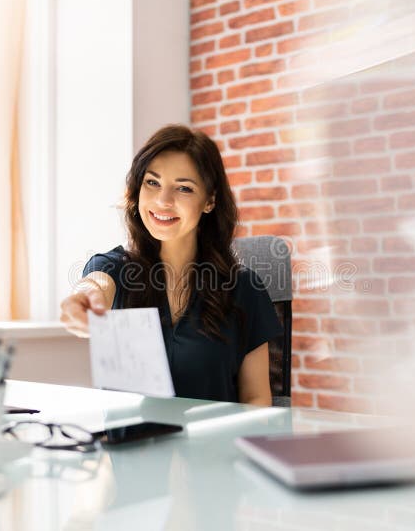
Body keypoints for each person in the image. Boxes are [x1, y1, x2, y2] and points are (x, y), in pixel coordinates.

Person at [60, 124, 280, 405]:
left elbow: (256, 397)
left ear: (210, 200)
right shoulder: (114, 268)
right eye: (152, 183)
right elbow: (96, 285)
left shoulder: (244, 288)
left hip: (213, 434)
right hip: (129, 435)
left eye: (184, 188)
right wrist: (83, 298)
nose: (163, 201)